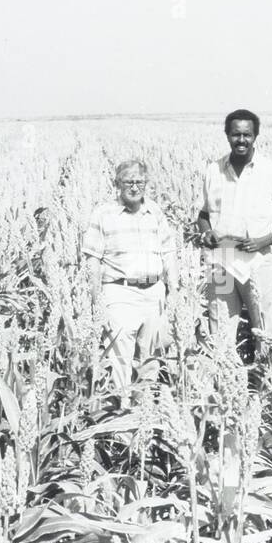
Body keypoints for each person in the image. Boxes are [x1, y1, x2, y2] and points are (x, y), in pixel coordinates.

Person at [194, 109, 272, 357]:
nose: (241, 140)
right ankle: (224, 380)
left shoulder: (271, 171)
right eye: (236, 134)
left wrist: (261, 241)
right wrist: (206, 232)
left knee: (263, 323)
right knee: (219, 324)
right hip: (221, 261)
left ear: (256, 136)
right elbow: (203, 215)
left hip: (257, 261)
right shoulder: (213, 171)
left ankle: (265, 379)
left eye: (247, 135)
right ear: (227, 135)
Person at [81, 160, 179, 396]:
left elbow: (169, 252)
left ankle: (145, 408)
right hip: (119, 291)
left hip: (154, 291)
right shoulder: (103, 214)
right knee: (120, 355)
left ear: (146, 184)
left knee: (152, 355)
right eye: (128, 182)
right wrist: (96, 301)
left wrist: (174, 290)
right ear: (117, 184)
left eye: (139, 182)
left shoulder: (155, 211)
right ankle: (122, 412)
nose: (134, 187)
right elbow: (92, 260)